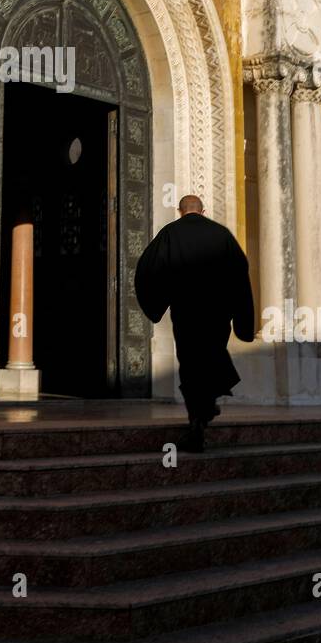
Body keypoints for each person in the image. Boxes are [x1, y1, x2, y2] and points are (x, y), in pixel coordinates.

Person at [134, 194, 255, 452]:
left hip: (186, 315)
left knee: (191, 365)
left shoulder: (170, 233)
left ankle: (197, 420)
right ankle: (205, 408)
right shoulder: (222, 235)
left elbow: (148, 268)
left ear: (180, 211)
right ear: (203, 210)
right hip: (216, 316)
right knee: (212, 358)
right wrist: (242, 321)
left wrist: (159, 302)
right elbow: (240, 276)